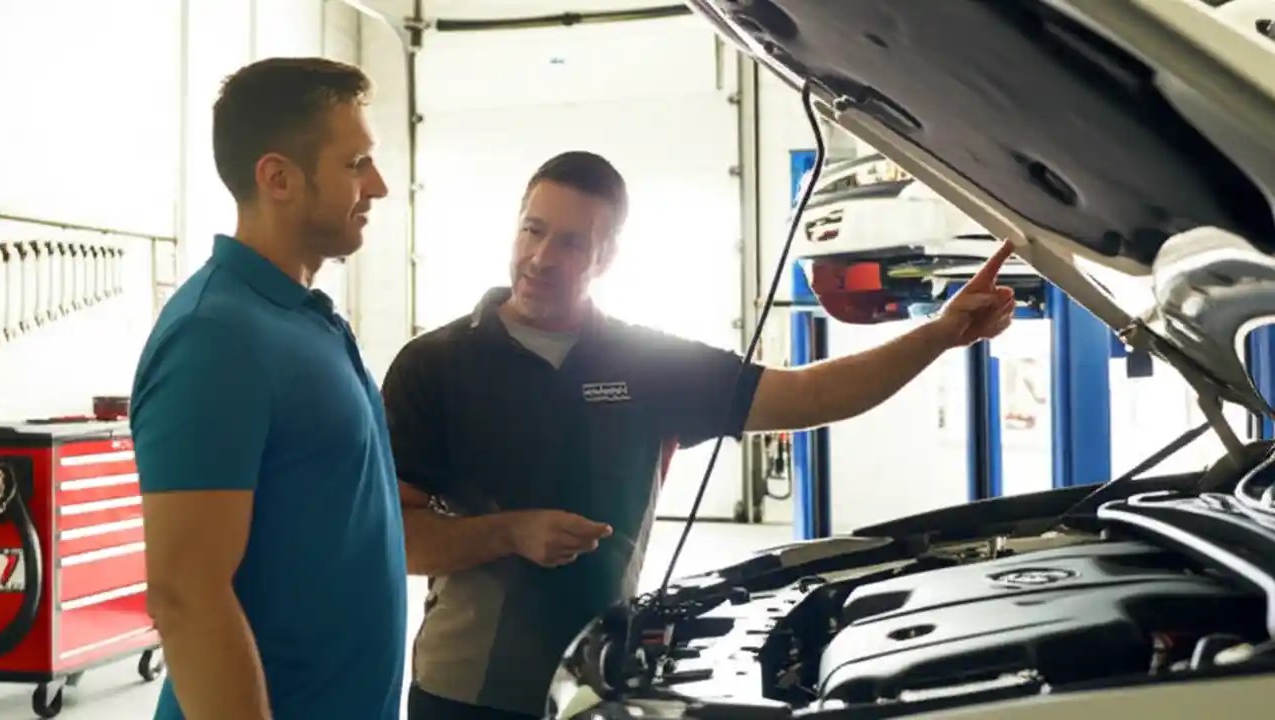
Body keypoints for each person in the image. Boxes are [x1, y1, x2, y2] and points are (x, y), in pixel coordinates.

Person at [380, 151, 1017, 719]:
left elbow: (814, 394)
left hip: (597, 684)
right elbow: (398, 541)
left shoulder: (644, 363)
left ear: (607, 256)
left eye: (573, 243)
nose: (543, 258)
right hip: (465, 694)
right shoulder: (434, 365)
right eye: (534, 230)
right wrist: (510, 531)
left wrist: (941, 332)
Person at [129, 57, 404, 720]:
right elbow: (184, 593)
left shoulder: (302, 317)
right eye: (355, 164)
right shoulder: (217, 337)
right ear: (277, 177)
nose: (380, 186)